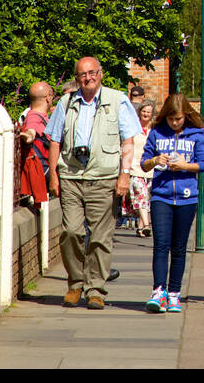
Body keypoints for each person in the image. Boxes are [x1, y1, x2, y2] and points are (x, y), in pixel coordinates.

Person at [46, 56, 142, 309]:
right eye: (82, 74)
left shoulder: (117, 100)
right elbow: (55, 140)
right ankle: (76, 283)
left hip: (105, 177)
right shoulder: (66, 103)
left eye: (92, 73)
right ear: (76, 78)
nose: (87, 78)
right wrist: (53, 174)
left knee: (100, 236)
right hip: (71, 176)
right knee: (71, 232)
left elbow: (128, 141)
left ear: (100, 73)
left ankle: (96, 289)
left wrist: (125, 174)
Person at [140, 94, 204, 313]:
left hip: (187, 197)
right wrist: (155, 160)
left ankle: (174, 293)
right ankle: (158, 291)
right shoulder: (157, 133)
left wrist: (185, 166)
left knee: (179, 248)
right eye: (171, 118)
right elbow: (143, 164)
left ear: (186, 116)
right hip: (161, 195)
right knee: (161, 244)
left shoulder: (196, 135)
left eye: (178, 118)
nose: (175, 122)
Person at [17, 81, 54, 205]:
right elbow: (31, 132)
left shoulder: (42, 116)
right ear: (48, 97)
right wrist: (27, 136)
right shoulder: (34, 117)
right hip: (44, 174)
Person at [125, 99, 156, 236]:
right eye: (144, 111)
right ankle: (147, 225)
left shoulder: (155, 131)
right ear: (139, 112)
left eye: (148, 112)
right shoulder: (133, 128)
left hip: (152, 169)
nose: (146, 114)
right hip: (135, 168)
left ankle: (141, 228)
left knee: (146, 199)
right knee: (141, 196)